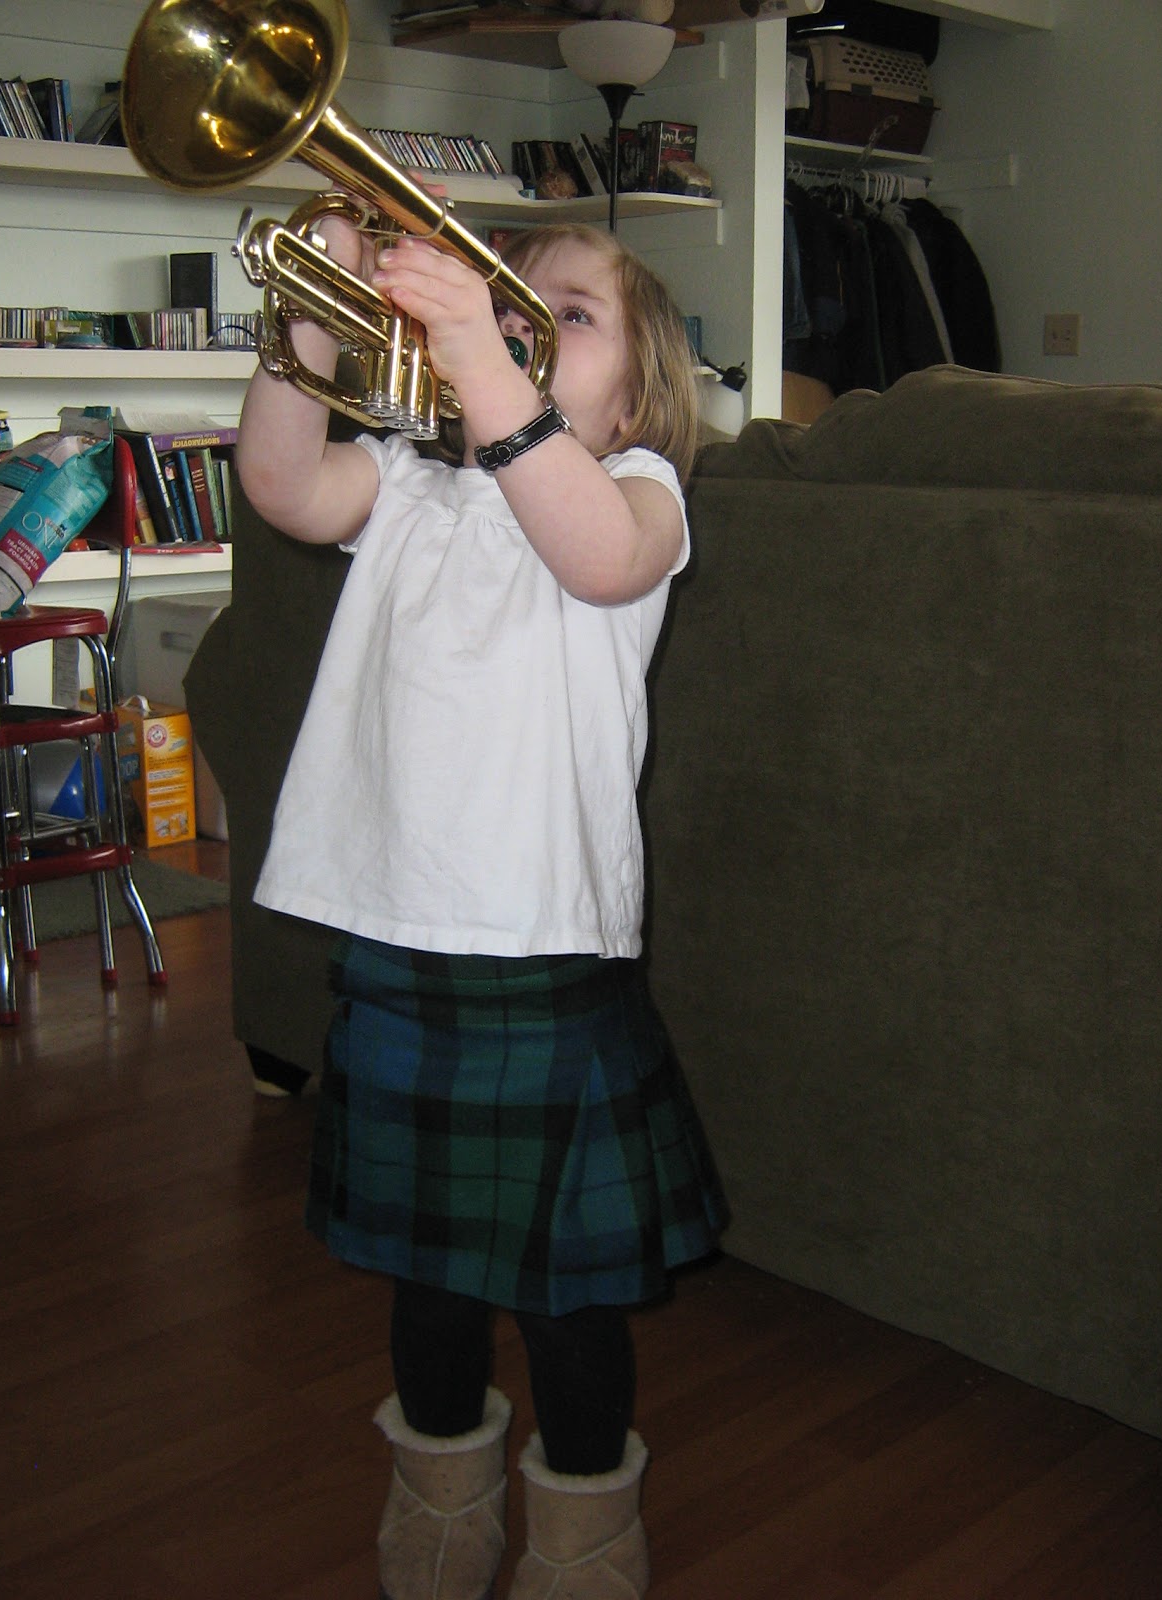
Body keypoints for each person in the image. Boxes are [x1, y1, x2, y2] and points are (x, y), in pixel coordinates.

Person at [236, 212, 727, 1600]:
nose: (520, 316)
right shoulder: (405, 488)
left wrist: (473, 344)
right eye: (510, 298)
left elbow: (596, 560)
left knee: (564, 1297)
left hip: (544, 959)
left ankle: (585, 1524)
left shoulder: (637, 493)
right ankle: (442, 1490)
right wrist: (314, 305)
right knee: (430, 1280)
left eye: (566, 314)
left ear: (634, 395)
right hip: (394, 947)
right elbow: (279, 480)